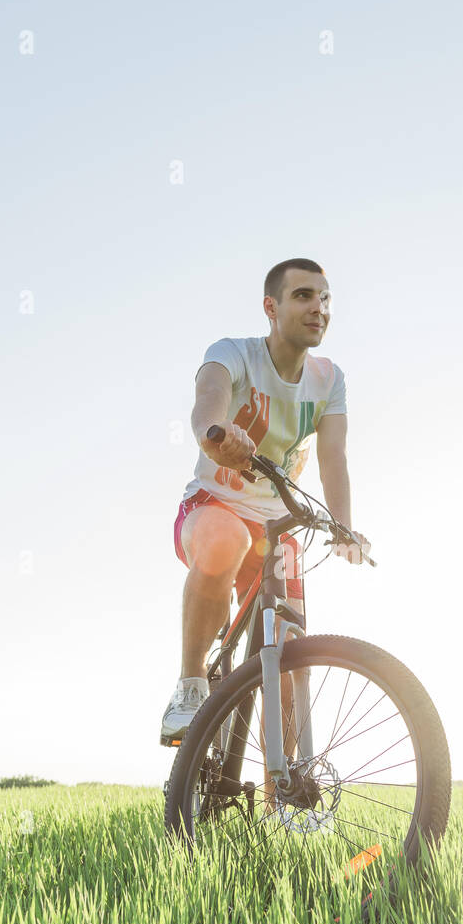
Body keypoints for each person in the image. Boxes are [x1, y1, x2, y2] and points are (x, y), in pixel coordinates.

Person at [161, 257, 369, 745]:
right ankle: (191, 687)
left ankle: (286, 792)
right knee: (225, 540)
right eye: (303, 296)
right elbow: (208, 398)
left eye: (325, 298)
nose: (318, 307)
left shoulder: (328, 379)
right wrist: (216, 434)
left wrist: (343, 525)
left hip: (277, 528)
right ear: (270, 307)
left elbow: (333, 455)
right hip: (214, 506)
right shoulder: (233, 353)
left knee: (291, 655)